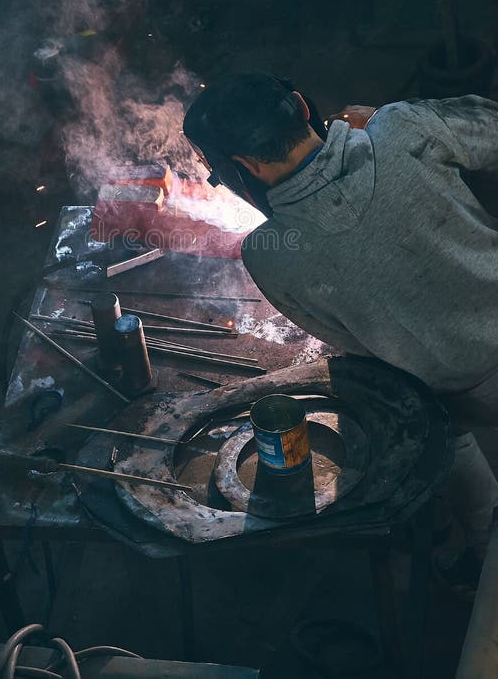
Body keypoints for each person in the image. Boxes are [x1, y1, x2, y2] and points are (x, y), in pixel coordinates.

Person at [183, 72, 498, 597]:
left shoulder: (267, 251)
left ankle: (479, 549)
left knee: (426, 413)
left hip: (458, 390)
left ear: (244, 169)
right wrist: (379, 127)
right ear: (303, 106)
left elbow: (351, 343)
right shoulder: (402, 128)